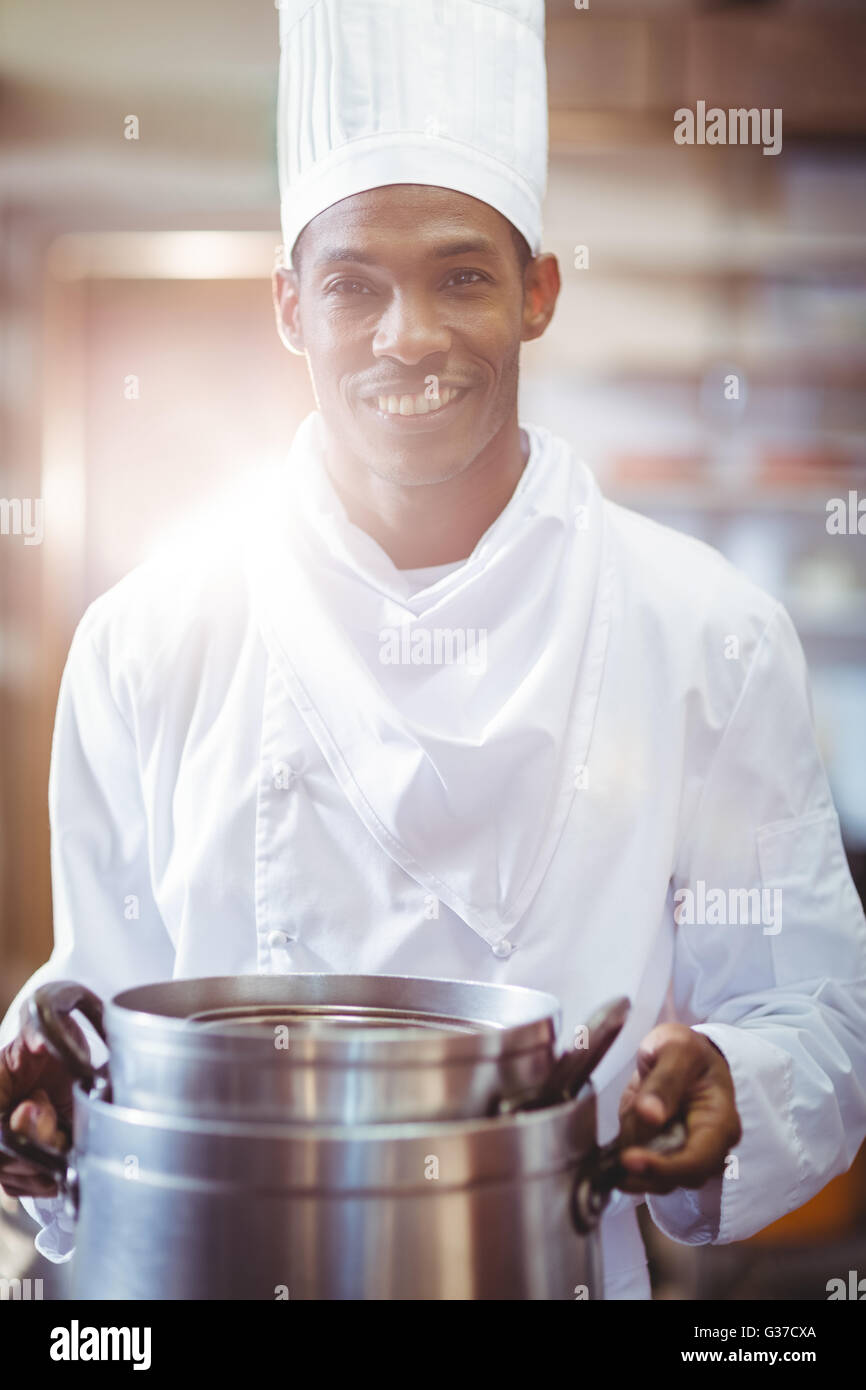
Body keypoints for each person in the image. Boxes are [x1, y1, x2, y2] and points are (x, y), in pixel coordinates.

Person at [2, 0, 865, 1299]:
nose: (405, 334)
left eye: (460, 274)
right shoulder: (147, 638)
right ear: (292, 307)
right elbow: (98, 1024)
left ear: (538, 291)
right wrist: (40, 1102)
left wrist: (733, 1082)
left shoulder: (704, 635)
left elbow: (821, 1016)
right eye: (354, 283)